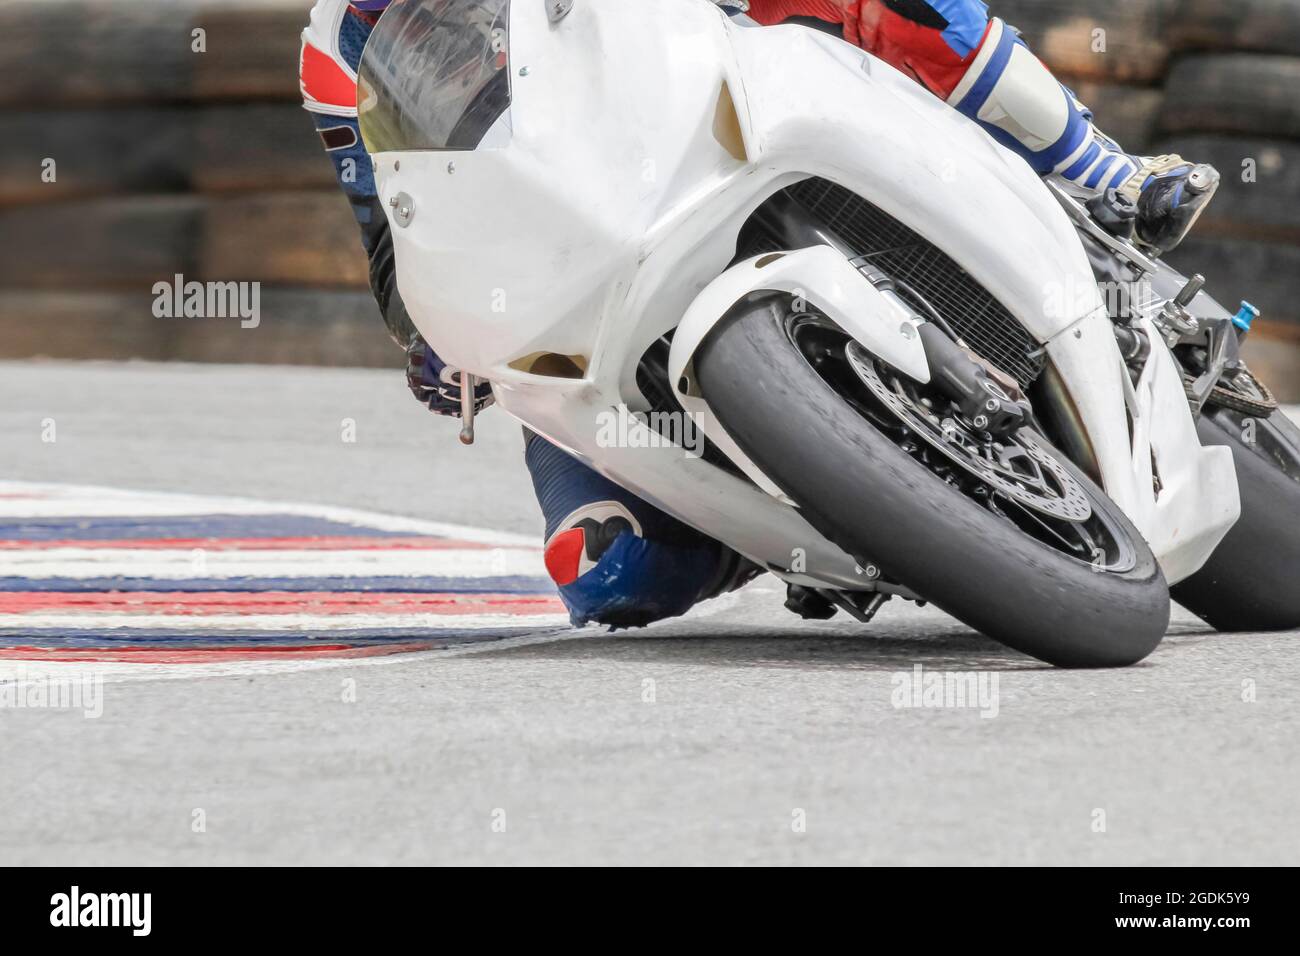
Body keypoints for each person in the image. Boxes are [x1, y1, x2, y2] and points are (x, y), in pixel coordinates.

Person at [300, 0, 1218, 627]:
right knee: (598, 571)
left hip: (719, 103)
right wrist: (428, 337)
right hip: (592, 272)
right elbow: (393, 233)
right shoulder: (336, 56)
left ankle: (1097, 172)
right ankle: (776, 533)